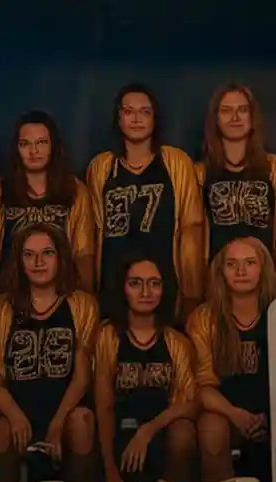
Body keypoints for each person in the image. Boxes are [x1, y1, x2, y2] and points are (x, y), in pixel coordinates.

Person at [0, 223, 101, 482]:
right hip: (19, 409)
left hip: (64, 410)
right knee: (0, 430)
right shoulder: (2, 309)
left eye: (47, 253)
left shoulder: (81, 305)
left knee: (83, 422)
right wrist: (16, 415)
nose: (38, 262)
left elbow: (82, 379)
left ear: (60, 258)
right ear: (18, 262)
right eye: (29, 255)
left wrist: (57, 422)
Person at [93, 252, 198, 482]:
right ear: (122, 288)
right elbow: (103, 408)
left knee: (184, 431)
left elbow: (190, 404)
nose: (145, 292)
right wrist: (111, 472)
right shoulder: (108, 336)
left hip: (158, 438)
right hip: (119, 443)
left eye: (154, 284)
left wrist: (149, 430)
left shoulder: (176, 341)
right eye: (135, 284)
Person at [185, 236, 276, 482]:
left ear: (263, 268)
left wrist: (273, 416)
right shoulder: (204, 319)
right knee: (210, 426)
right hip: (227, 415)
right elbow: (203, 385)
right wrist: (236, 416)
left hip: (273, 415)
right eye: (232, 264)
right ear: (220, 271)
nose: (241, 271)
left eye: (250, 263)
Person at [86, 83, 205, 319]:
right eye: (129, 112)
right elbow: (93, 233)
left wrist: (192, 294)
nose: (137, 119)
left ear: (155, 119)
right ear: (118, 119)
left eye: (145, 112)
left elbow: (192, 230)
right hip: (113, 285)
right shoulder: (102, 167)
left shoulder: (176, 163)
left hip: (164, 286)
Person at [0, 110, 97, 292]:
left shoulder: (76, 191)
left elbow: (83, 256)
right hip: (10, 296)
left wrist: (85, 303)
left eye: (41, 143)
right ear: (16, 149)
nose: (34, 151)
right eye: (25, 144)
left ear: (53, 146)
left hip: (61, 296)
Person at [195, 83, 276, 262]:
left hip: (263, 273)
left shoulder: (274, 167)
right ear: (215, 119)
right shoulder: (200, 173)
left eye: (243, 110)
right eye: (226, 111)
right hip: (217, 274)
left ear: (253, 117)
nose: (235, 117)